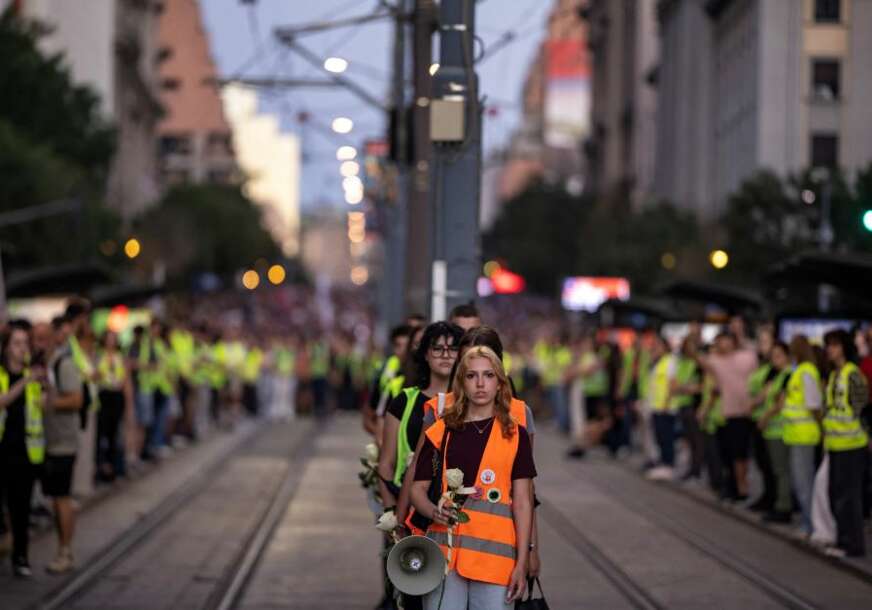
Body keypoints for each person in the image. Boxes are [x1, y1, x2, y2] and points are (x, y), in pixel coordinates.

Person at [411, 346, 535, 608]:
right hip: (445, 556)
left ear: (500, 383)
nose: (480, 383)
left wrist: (522, 562)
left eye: (488, 375)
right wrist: (433, 512)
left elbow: (524, 502)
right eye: (472, 376)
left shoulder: (515, 435)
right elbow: (417, 490)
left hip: (496, 561)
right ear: (462, 383)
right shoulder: (441, 430)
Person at [377, 321, 463, 610]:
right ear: (425, 354)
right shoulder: (405, 401)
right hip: (411, 513)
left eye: (452, 349)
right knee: (414, 596)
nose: (445, 355)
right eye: (437, 348)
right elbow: (386, 462)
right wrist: (392, 517)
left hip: (458, 516)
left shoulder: (474, 402)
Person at [0, 322, 46, 577]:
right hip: (1, 449)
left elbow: (45, 406)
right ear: (6, 348)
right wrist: (27, 380)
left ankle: (21, 556)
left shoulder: (34, 374)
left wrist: (46, 388)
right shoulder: (2, 374)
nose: (21, 349)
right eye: (16, 344)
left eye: (24, 344)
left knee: (21, 507)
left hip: (26, 451)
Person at [43, 312, 84, 574]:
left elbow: (76, 400)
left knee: (61, 498)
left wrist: (47, 404)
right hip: (46, 441)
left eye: (43, 337)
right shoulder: (44, 364)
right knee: (56, 499)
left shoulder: (64, 363)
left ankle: (65, 552)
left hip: (63, 442)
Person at [822, 329, 868, 557]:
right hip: (836, 445)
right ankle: (842, 539)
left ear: (845, 348)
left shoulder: (852, 374)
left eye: (835, 345)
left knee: (849, 498)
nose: (830, 349)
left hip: (853, 445)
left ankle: (854, 545)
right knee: (836, 495)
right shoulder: (834, 375)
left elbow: (864, 410)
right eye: (828, 345)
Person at [698, 331, 758, 500]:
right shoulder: (715, 361)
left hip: (745, 412)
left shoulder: (747, 356)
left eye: (726, 341)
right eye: (720, 342)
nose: (723, 345)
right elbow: (697, 357)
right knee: (727, 454)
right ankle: (732, 486)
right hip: (726, 413)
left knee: (741, 454)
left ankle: (742, 488)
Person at [754, 341, 793, 524]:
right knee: (776, 470)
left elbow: (780, 403)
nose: (775, 360)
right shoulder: (776, 376)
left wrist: (765, 418)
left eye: (779, 356)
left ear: (788, 356)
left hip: (781, 430)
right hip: (772, 430)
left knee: (781, 471)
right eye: (773, 356)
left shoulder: (788, 375)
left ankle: (783, 507)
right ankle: (778, 503)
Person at [747, 329, 777, 512]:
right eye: (760, 342)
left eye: (765, 342)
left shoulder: (773, 369)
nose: (761, 346)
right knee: (761, 461)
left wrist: (753, 403)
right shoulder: (760, 366)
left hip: (768, 421)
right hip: (757, 419)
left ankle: (773, 498)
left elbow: (766, 393)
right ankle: (767, 495)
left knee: (770, 463)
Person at [95, 331, 127, 482]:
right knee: (102, 432)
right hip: (104, 395)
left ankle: (113, 467)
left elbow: (123, 377)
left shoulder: (119, 357)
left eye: (113, 339)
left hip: (116, 396)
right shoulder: (99, 355)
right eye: (108, 339)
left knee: (114, 434)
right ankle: (101, 467)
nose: (111, 342)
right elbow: (97, 374)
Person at [645, 335, 678, 481]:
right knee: (659, 436)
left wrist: (666, 403)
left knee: (666, 437)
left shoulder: (670, 362)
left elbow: (672, 384)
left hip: (666, 407)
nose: (655, 348)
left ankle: (668, 465)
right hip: (656, 406)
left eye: (658, 346)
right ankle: (662, 463)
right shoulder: (658, 362)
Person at [672, 336, 703, 481]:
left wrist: (684, 388)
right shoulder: (682, 363)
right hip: (682, 404)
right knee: (689, 439)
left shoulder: (699, 363)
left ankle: (696, 470)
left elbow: (699, 387)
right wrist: (684, 388)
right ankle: (692, 468)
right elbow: (675, 385)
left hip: (694, 405)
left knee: (697, 440)